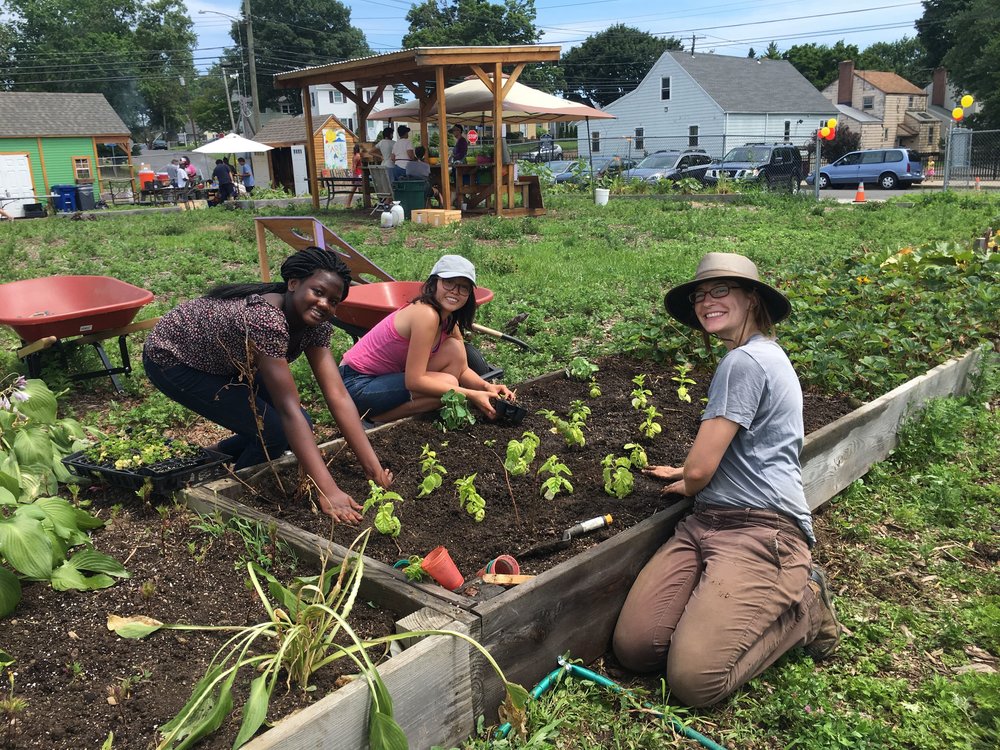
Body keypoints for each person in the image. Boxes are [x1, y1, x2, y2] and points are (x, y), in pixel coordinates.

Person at [612, 252, 842, 708]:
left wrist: (691, 479)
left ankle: (806, 606)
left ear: (752, 299)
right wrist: (688, 475)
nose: (706, 302)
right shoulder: (759, 357)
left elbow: (702, 469)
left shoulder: (745, 362)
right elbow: (750, 445)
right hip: (705, 524)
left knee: (694, 682)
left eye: (721, 291)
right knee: (636, 649)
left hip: (762, 530)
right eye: (700, 294)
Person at [143, 247, 393, 523]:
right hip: (174, 359)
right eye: (318, 292)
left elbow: (337, 394)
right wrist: (328, 490)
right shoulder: (265, 318)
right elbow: (288, 407)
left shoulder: (317, 326)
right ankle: (227, 496)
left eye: (333, 301)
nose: (324, 304)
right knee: (275, 433)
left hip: (225, 361)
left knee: (300, 427)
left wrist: (373, 467)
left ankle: (213, 456)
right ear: (294, 283)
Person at [339, 254, 514, 425]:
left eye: (463, 287)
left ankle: (412, 408)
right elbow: (414, 381)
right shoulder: (426, 314)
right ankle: (373, 420)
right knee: (449, 386)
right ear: (434, 283)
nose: (455, 291)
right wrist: (469, 394)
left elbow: (461, 368)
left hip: (382, 379)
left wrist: (485, 387)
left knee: (453, 351)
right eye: (448, 282)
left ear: (469, 294)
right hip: (355, 385)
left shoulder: (449, 320)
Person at [345, 144, 363, 209]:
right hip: (358, 173)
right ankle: (348, 204)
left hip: (356, 173)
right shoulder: (358, 156)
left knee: (354, 189)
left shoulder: (354, 156)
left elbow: (353, 166)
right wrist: (353, 175)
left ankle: (348, 204)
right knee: (359, 188)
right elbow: (354, 166)